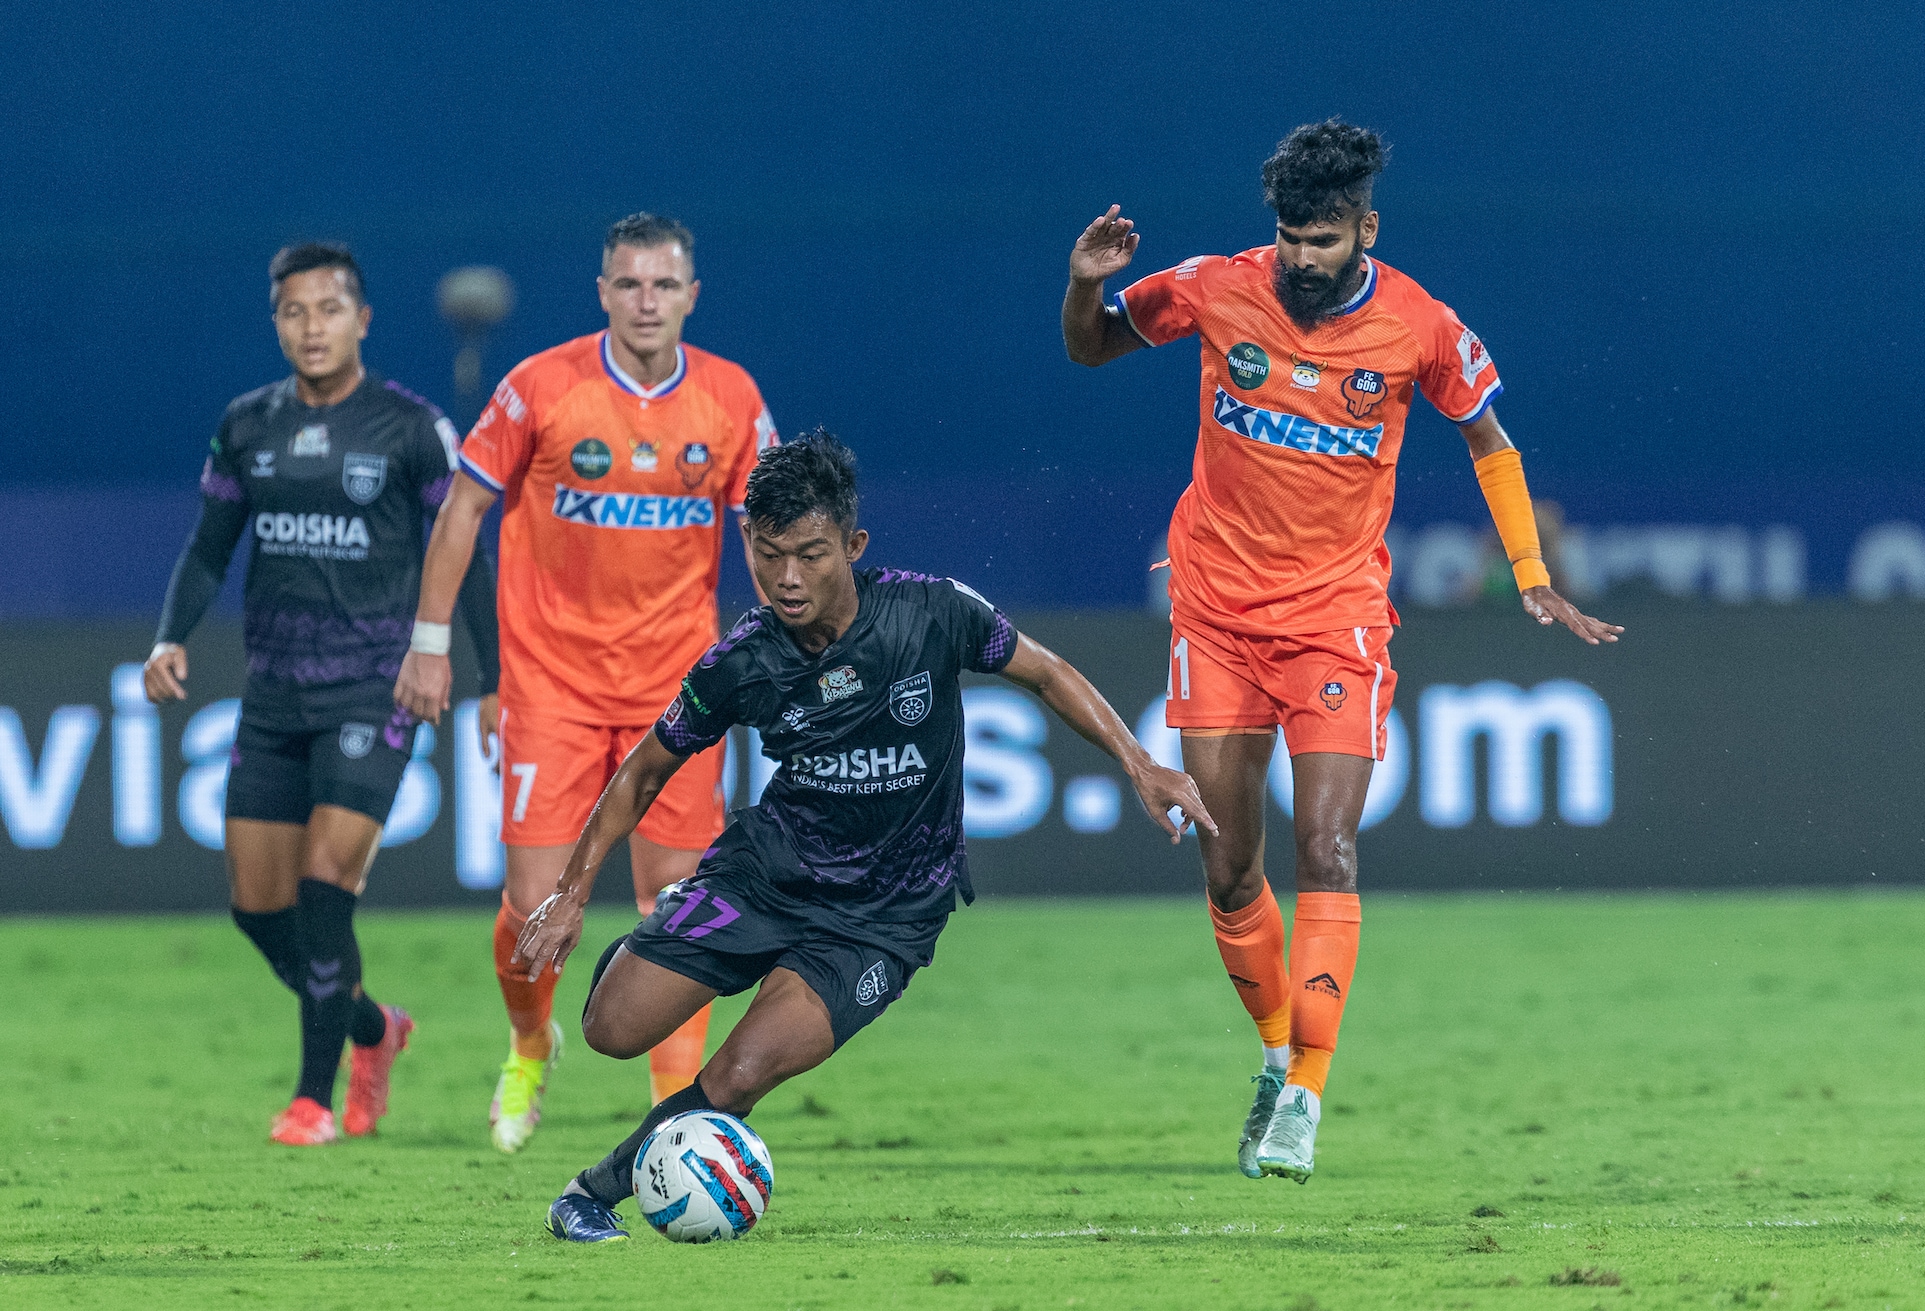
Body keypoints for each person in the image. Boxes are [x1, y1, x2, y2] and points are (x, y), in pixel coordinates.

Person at [1060, 119, 1624, 1183]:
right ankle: (1276, 1058)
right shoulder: (1215, 286)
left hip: (1335, 618)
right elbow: (1089, 347)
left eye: (1321, 241)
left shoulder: (1419, 325)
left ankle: (1306, 1097)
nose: (1300, 261)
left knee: (1326, 848)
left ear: (1365, 227)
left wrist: (1530, 575)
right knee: (1228, 868)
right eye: (1288, 239)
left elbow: (1487, 441)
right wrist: (1084, 285)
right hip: (1215, 615)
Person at [508, 432, 1214, 1241]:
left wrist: (1138, 760)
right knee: (610, 1029)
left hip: (883, 920)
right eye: (769, 556)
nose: (788, 578)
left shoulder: (930, 612)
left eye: (810, 554)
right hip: (766, 879)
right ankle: (674, 927)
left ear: (853, 544)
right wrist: (570, 896)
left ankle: (590, 1193)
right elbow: (640, 772)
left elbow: (1046, 672)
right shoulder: (744, 660)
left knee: (740, 1073)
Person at [395, 213, 779, 1153]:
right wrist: (430, 641)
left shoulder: (730, 398)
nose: (646, 302)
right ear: (602, 293)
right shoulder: (540, 387)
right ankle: (531, 1041)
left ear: (692, 295)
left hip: (680, 687)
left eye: (663, 286)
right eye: (628, 285)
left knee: (679, 898)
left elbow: (768, 532)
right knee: (533, 906)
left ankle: (674, 1113)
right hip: (552, 682)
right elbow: (464, 508)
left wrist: (784, 650)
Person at [143, 242, 499, 1145]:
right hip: (272, 692)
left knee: (324, 890)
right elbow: (211, 546)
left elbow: (470, 554)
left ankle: (312, 1098)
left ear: (362, 320)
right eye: (295, 312)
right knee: (257, 910)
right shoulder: (247, 423)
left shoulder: (411, 427)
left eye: (329, 310)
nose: (312, 327)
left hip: (373, 688)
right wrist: (169, 638)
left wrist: (493, 677)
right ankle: (375, 1029)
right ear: (278, 322)